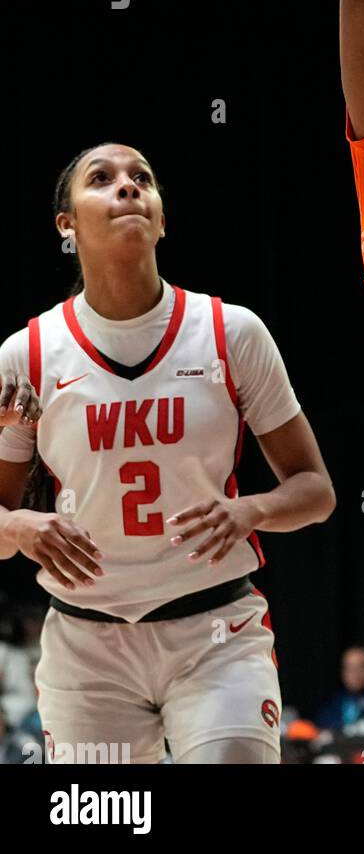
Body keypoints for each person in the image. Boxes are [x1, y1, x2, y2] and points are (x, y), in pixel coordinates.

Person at [0, 144, 336, 764]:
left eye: (142, 179)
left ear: (160, 218)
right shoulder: (27, 355)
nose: (127, 187)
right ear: (65, 225)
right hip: (86, 645)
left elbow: (316, 491)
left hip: (215, 631)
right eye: (101, 180)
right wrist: (18, 524)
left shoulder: (232, 332)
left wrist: (252, 511)